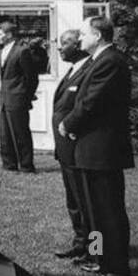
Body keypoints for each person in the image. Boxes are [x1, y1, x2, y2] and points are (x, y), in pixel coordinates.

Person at [60, 15, 133, 276]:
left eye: (83, 33)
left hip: (103, 150)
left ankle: (115, 267)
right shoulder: (97, 61)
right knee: (94, 212)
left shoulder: (110, 61)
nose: (80, 38)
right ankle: (97, 257)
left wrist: (68, 122)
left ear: (98, 35)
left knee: (108, 211)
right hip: (91, 149)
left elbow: (91, 102)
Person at [51, 30, 92, 262]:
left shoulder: (89, 69)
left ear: (78, 45)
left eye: (65, 43)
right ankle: (80, 243)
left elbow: (85, 108)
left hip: (79, 147)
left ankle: (94, 249)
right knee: (74, 199)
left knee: (87, 202)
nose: (60, 47)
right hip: (65, 148)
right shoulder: (72, 69)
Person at [0, 20, 39, 172]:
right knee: (5, 133)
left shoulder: (22, 51)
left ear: (9, 34)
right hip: (5, 97)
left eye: (0, 34)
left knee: (20, 133)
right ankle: (9, 164)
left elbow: (32, 78)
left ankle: (26, 165)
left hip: (18, 98)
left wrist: (26, 97)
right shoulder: (4, 50)